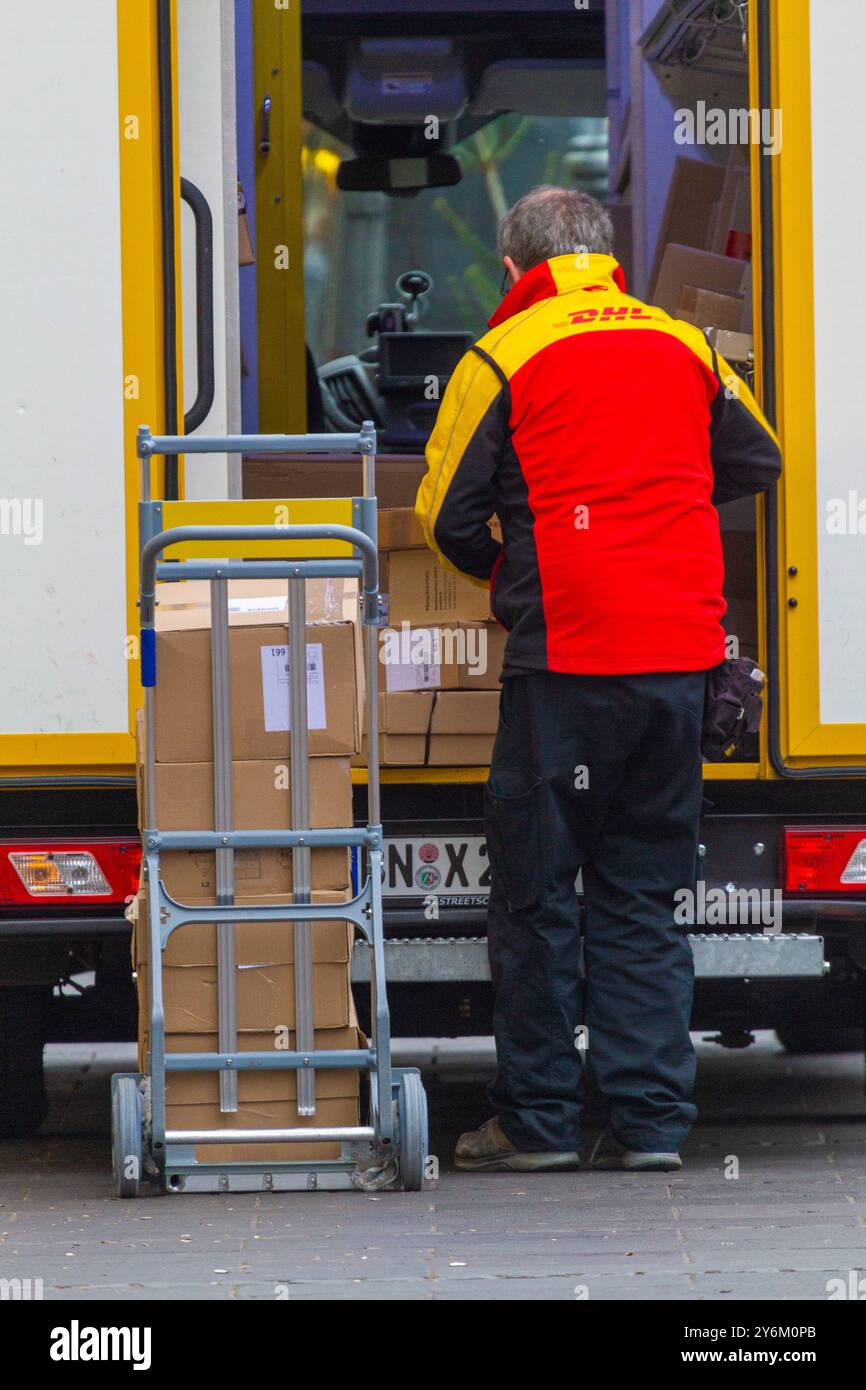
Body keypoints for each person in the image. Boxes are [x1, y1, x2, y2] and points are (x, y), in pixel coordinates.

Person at [414, 185, 781, 1173]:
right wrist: (657, 501)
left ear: (512, 269)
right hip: (679, 668)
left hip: (566, 668)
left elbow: (442, 514)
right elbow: (758, 458)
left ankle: (535, 1124)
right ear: (602, 253)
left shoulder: (502, 354)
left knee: (537, 899)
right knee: (639, 898)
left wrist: (520, 573)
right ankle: (651, 1127)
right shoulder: (682, 342)